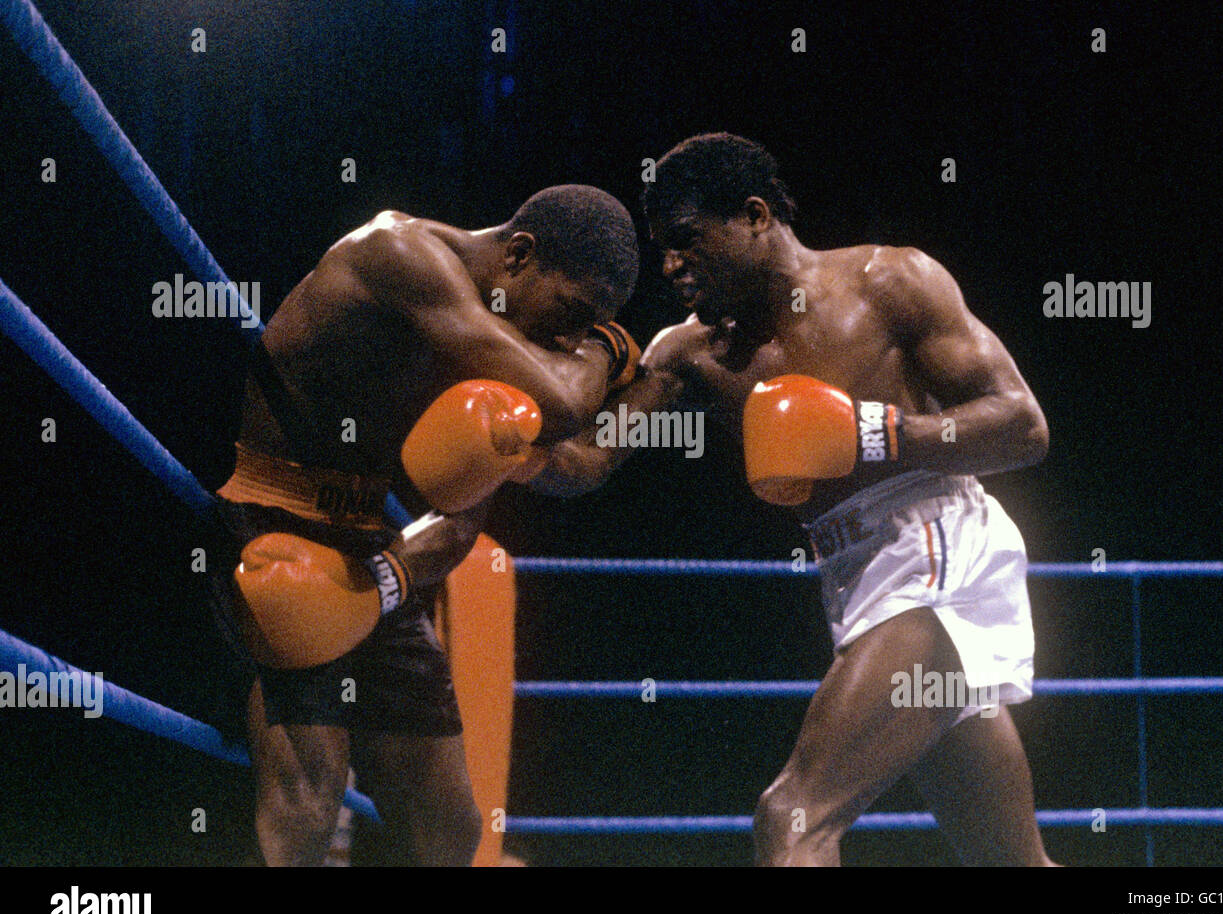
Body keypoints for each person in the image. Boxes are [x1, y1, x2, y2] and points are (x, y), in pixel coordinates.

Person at [535, 134, 1056, 866]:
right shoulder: (687, 353)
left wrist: (871, 433)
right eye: (663, 250)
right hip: (853, 576)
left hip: (939, 555)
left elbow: (1021, 426)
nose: (672, 266)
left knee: (792, 818)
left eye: (687, 241)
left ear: (754, 216)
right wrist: (511, 433)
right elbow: (585, 464)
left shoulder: (890, 281)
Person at [209, 185, 641, 865]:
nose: (564, 339)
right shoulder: (400, 256)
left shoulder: (479, 346)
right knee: (309, 802)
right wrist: (607, 352)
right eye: (570, 314)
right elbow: (560, 403)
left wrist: (664, 383)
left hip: (373, 550)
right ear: (520, 255)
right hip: (273, 523)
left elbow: (576, 468)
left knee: (450, 823)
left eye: (585, 328)